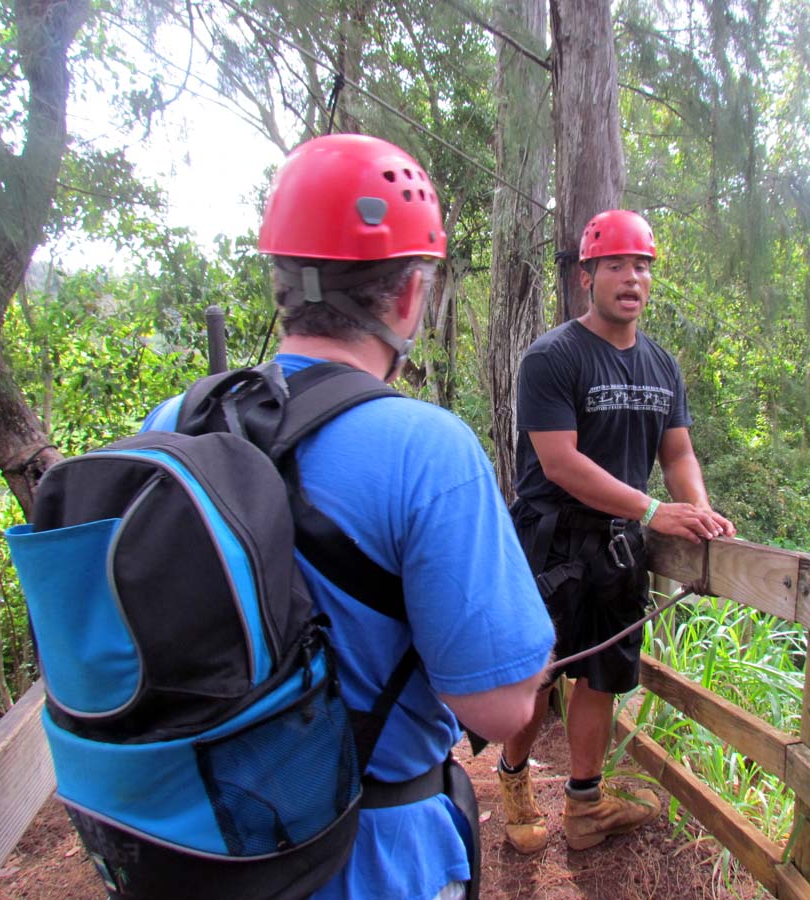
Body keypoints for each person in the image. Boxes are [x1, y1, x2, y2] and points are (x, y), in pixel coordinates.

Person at [144, 134, 555, 900]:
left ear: (281, 284)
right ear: (408, 296)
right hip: (364, 859)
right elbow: (500, 710)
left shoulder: (174, 421)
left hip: (200, 846)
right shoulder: (427, 449)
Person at [497, 209, 736, 854]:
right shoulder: (552, 357)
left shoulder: (662, 366)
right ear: (587, 277)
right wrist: (654, 512)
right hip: (551, 538)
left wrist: (700, 512)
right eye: (617, 266)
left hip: (618, 544)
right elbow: (559, 462)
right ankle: (513, 780)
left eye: (642, 267)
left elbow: (677, 453)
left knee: (602, 674)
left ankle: (585, 807)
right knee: (541, 672)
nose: (632, 278)